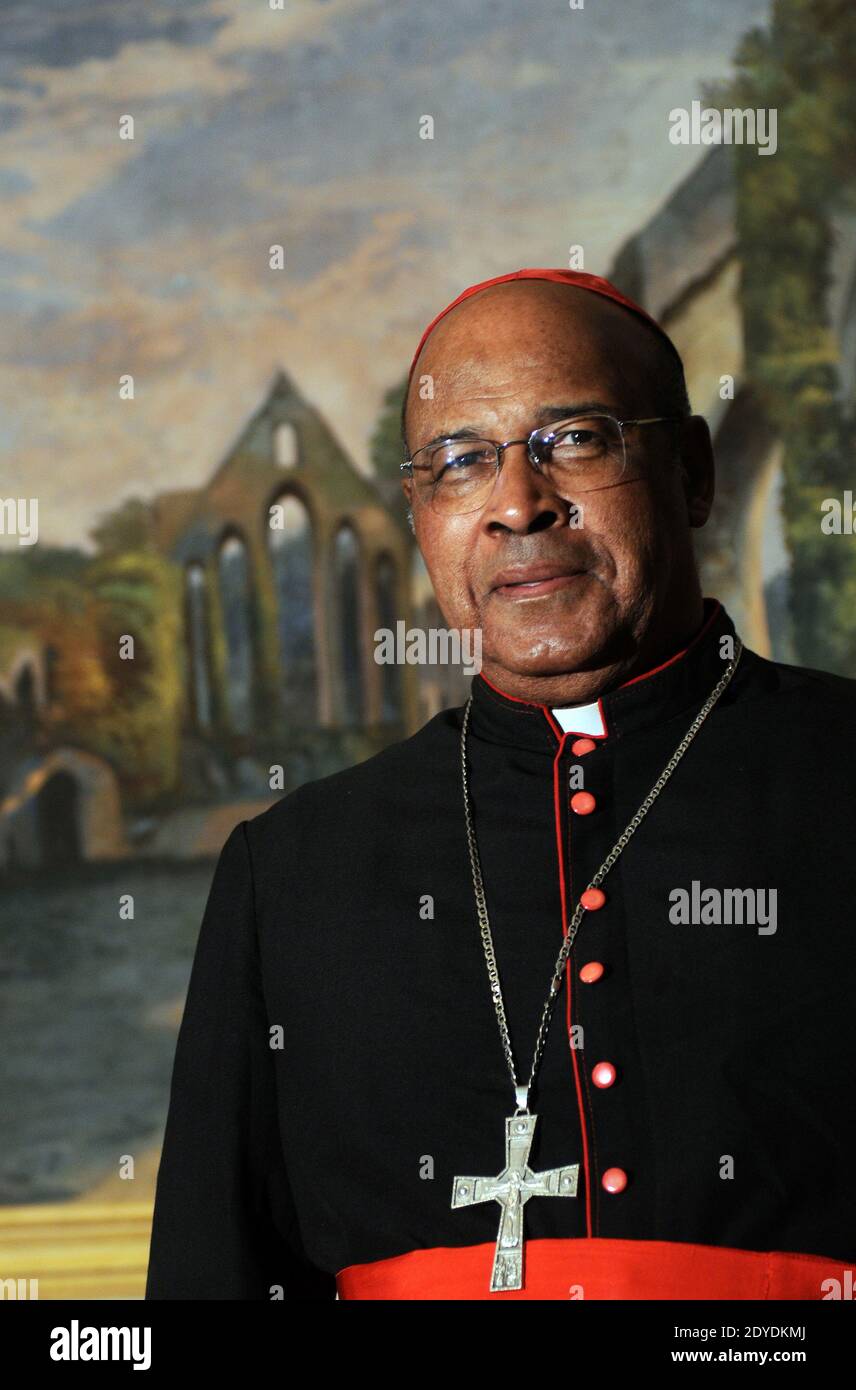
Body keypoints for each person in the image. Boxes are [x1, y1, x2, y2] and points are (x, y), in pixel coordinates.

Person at [146, 268, 856, 1300]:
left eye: (575, 438)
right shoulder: (291, 871)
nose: (517, 503)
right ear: (419, 515)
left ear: (692, 472)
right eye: (458, 462)